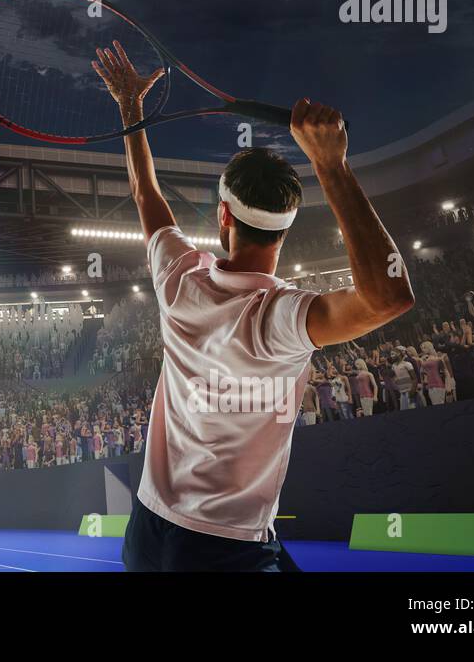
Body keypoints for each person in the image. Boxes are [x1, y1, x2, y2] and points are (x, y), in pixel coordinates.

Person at [93, 43, 413, 572]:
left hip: (148, 533)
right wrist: (331, 167)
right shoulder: (281, 318)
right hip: (227, 549)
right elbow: (390, 297)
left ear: (223, 215)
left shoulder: (179, 277)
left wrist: (130, 107)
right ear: (289, 224)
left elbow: (145, 191)